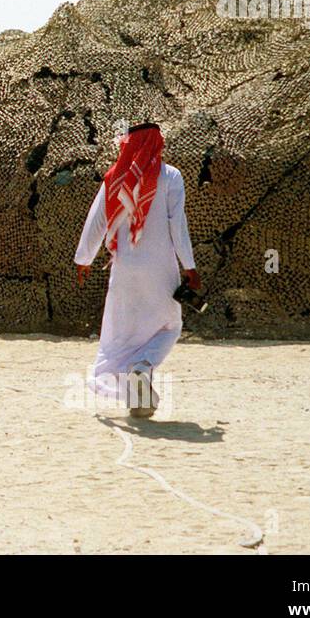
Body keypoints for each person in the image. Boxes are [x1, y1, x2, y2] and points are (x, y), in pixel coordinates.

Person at [73, 122, 200, 418]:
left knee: (123, 332)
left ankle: (139, 402)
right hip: (161, 268)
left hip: (124, 267)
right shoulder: (171, 177)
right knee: (169, 326)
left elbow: (97, 221)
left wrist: (84, 259)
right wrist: (190, 267)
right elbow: (177, 225)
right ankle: (143, 367)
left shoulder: (115, 178)